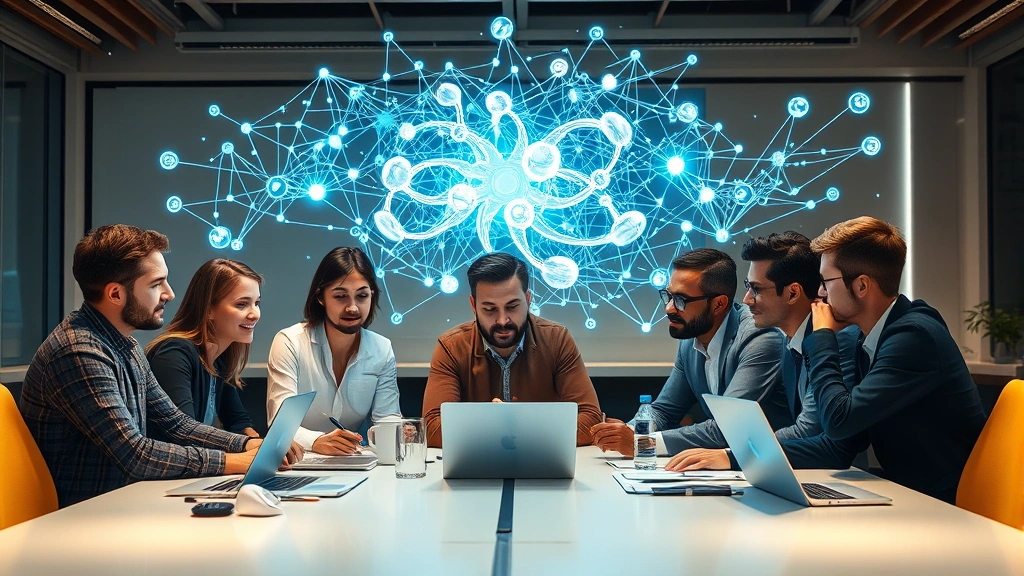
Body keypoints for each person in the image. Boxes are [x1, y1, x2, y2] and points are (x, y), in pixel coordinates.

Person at [18, 225, 290, 507]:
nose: (169, 294)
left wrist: (246, 445)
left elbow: (176, 423)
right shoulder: (78, 351)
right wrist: (233, 461)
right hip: (88, 515)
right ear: (115, 294)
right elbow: (135, 454)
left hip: (124, 505)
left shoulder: (126, 345)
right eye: (156, 284)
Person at [806, 216, 986, 503]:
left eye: (826, 281)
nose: (820, 293)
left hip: (946, 505)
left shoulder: (915, 337)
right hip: (908, 494)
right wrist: (739, 458)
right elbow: (843, 442)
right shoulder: (871, 337)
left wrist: (822, 338)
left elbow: (839, 421)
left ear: (862, 285)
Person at [666, 232, 866, 472]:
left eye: (756, 289)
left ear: (793, 293)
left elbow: (808, 431)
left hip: (846, 479)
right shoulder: (789, 339)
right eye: (747, 287)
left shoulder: (834, 339)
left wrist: (732, 456)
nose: (746, 299)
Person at [591, 248, 789, 457]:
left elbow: (728, 428)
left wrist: (643, 444)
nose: (669, 308)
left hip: (778, 466)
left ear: (719, 304)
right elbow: (664, 410)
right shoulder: (691, 338)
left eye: (681, 300)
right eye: (668, 296)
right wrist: (630, 431)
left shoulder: (760, 337)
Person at [421, 252, 602, 448]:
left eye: (512, 306)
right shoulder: (451, 347)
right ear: (473, 305)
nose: (502, 320)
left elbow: (591, 419)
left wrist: (501, 427)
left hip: (541, 468)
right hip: (478, 471)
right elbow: (431, 429)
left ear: (528, 299)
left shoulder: (557, 339)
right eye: (489, 309)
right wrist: (504, 424)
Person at [267, 246, 401, 455]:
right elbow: (279, 425)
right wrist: (317, 441)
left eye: (362, 296)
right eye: (340, 296)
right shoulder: (289, 342)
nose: (353, 307)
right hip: (297, 463)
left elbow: (387, 420)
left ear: (372, 296)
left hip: (352, 462)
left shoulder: (382, 349)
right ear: (320, 297)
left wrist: (398, 433)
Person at [146, 259, 263, 440]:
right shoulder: (173, 353)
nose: (255, 314)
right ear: (208, 309)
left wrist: (264, 446)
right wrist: (247, 446)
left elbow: (239, 423)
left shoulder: (220, 357)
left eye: (257, 303)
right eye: (242, 304)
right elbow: (184, 433)